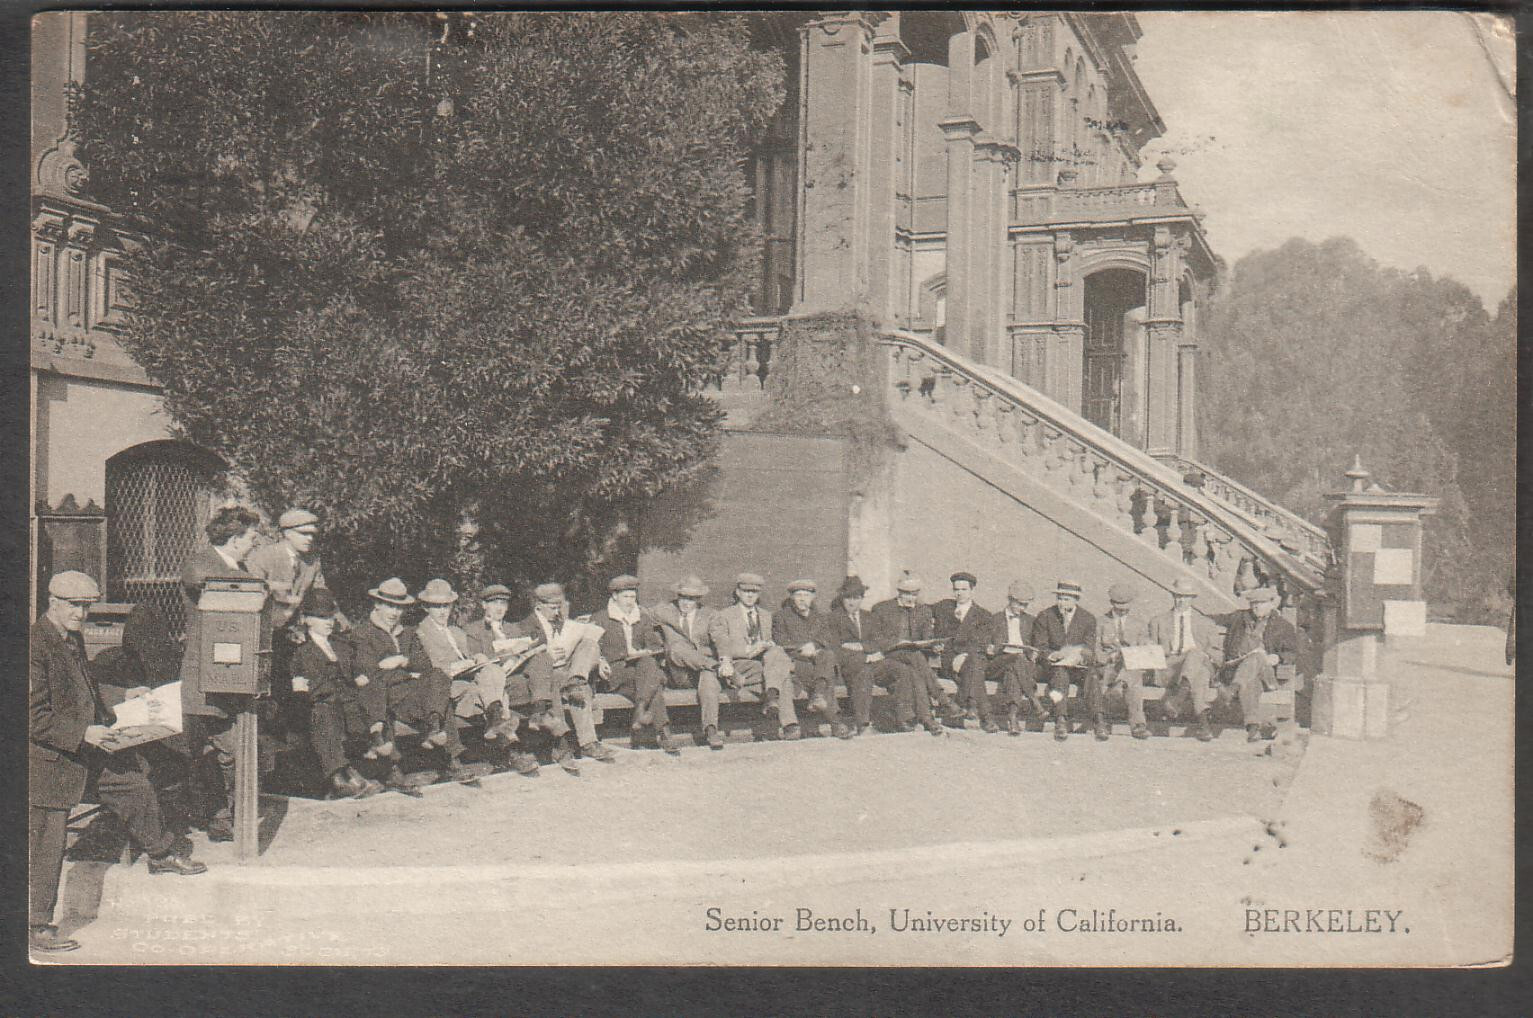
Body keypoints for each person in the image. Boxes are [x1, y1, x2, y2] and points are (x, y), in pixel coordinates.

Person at [31, 571, 208, 954]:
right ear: (54, 602)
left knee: (131, 781)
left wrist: (123, 693)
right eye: (74, 606)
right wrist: (85, 733)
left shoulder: (70, 639)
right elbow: (31, 717)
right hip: (48, 760)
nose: (81, 614)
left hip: (79, 748)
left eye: (86, 607)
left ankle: (159, 854)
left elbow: (85, 689)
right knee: (47, 842)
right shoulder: (34, 645)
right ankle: (36, 926)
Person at [179, 505, 263, 842]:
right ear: (233, 537)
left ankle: (224, 814)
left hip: (233, 674)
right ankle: (218, 816)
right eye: (251, 537)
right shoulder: (203, 563)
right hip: (206, 676)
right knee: (215, 750)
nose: (254, 544)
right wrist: (258, 587)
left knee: (230, 749)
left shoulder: (236, 566)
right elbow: (203, 581)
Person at [350, 577, 475, 787]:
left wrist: (401, 660)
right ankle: (397, 769)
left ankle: (436, 733)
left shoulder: (407, 633)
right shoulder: (363, 634)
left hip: (410, 692)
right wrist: (402, 670)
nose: (394, 613)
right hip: (383, 694)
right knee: (427, 698)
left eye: (399, 608)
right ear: (378, 605)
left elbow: (424, 664)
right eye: (389, 606)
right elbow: (365, 670)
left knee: (438, 677)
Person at [504, 582, 617, 770]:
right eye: (552, 607)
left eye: (559, 607)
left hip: (570, 669)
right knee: (571, 685)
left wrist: (601, 659)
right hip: (548, 672)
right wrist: (548, 654)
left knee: (590, 644)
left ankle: (576, 681)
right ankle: (575, 744)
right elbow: (523, 658)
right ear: (538, 606)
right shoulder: (525, 626)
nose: (557, 612)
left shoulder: (561, 621)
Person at [288, 589, 383, 798]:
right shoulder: (301, 649)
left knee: (356, 705)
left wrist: (359, 677)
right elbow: (303, 687)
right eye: (322, 617)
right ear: (307, 620)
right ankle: (339, 779)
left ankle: (354, 774)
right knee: (325, 714)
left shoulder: (340, 645)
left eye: (331, 616)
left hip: (346, 701)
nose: (328, 622)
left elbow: (357, 669)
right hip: (319, 704)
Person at [412, 579, 521, 747]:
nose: (442, 611)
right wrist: (460, 666)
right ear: (426, 607)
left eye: (446, 606)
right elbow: (430, 667)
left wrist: (478, 657)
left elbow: (470, 653)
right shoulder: (420, 633)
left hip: (471, 675)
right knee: (494, 692)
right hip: (448, 682)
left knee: (493, 669)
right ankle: (499, 727)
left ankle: (495, 723)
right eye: (436, 606)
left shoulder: (455, 631)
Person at [826, 575, 934, 736]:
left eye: (856, 597)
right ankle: (862, 724)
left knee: (902, 670)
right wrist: (865, 656)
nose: (851, 602)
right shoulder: (832, 618)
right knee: (865, 672)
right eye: (848, 597)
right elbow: (834, 647)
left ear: (862, 598)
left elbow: (878, 641)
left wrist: (862, 646)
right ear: (842, 598)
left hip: (874, 661)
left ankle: (904, 718)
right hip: (849, 666)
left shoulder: (868, 617)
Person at [461, 583, 542, 775]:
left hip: (516, 678)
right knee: (500, 692)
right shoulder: (473, 630)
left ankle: (523, 744)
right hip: (492, 682)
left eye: (503, 604)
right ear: (484, 605)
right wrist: (496, 636)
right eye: (494, 603)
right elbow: (477, 661)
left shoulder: (515, 628)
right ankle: (514, 752)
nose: (499, 608)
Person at [707, 573, 800, 740]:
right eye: (746, 591)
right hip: (740, 665)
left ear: (759, 594)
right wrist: (749, 650)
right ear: (738, 592)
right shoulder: (725, 615)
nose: (750, 595)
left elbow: (771, 642)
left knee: (777, 653)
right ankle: (789, 723)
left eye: (754, 592)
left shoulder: (766, 615)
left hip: (764, 663)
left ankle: (772, 697)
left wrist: (768, 644)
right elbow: (722, 644)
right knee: (781, 673)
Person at [595, 575, 678, 755]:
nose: (630, 602)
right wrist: (600, 661)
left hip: (640, 670)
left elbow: (655, 646)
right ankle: (663, 732)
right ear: (614, 596)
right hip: (616, 671)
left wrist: (645, 652)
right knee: (653, 685)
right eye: (626, 597)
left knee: (647, 664)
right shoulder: (601, 618)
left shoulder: (642, 618)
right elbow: (592, 646)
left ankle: (642, 712)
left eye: (633, 597)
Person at [869, 572, 963, 728]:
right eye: (906, 593)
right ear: (898, 592)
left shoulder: (923, 611)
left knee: (915, 668)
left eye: (914, 594)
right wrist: (897, 643)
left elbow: (927, 638)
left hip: (912, 661)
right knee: (914, 656)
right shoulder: (882, 609)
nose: (910, 598)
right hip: (888, 658)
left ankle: (927, 719)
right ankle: (942, 699)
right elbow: (875, 639)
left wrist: (934, 647)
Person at [1212, 586, 1299, 742]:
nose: (1256, 607)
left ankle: (1232, 689)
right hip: (1237, 669)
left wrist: (1278, 658)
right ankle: (1252, 727)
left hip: (1267, 673)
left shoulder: (1282, 626)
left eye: (1261, 603)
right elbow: (1215, 618)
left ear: (1272, 604)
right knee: (1251, 681)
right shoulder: (1239, 618)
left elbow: (1292, 653)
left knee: (1257, 656)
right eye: (1253, 603)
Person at [652, 576, 728, 750]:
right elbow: (638, 612)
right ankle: (713, 666)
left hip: (701, 674)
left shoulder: (710, 615)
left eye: (692, 599)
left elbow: (721, 638)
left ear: (699, 599)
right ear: (677, 596)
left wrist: (725, 661)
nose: (686, 603)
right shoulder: (663, 611)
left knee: (708, 677)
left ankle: (711, 728)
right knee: (677, 647)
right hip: (678, 671)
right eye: (683, 597)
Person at [773, 579, 852, 740]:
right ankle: (835, 721)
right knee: (824, 675)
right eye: (798, 595)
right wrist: (803, 649)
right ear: (791, 598)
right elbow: (780, 642)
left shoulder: (821, 617)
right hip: (797, 662)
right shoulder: (781, 617)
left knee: (828, 655)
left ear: (813, 597)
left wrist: (814, 646)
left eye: (806, 595)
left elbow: (828, 640)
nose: (802, 599)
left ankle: (819, 695)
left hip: (818, 660)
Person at [1147, 577, 1221, 742]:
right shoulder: (1158, 621)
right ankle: (1203, 724)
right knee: (1199, 671)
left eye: (1186, 597)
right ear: (1172, 596)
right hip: (1170, 669)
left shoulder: (1206, 623)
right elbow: (1151, 651)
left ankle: (1179, 699)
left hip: (1195, 664)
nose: (1181, 600)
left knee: (1196, 657)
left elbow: (1218, 654)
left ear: (1193, 598)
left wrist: (1204, 654)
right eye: (1178, 596)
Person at [1031, 579, 1097, 741]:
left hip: (1078, 667)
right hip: (1054, 667)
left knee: (1093, 676)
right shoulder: (1046, 616)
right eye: (1059, 598)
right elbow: (1040, 646)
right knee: (1060, 674)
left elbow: (1089, 648)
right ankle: (1061, 720)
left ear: (1076, 600)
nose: (1061, 602)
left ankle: (1099, 719)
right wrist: (1052, 655)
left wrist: (1079, 656)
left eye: (1066, 599)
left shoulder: (1087, 618)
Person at [932, 571, 996, 732]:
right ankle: (982, 713)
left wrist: (965, 655)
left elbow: (982, 641)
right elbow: (921, 613)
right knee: (976, 668)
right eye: (956, 589)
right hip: (947, 660)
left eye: (964, 589)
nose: (959, 593)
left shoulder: (983, 615)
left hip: (969, 659)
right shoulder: (942, 607)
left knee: (974, 663)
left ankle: (972, 708)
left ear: (972, 591)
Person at [1090, 583, 1151, 741]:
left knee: (1133, 671)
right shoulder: (1100, 622)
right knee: (1134, 678)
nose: (1123, 609)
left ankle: (1121, 685)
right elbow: (1095, 649)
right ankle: (1138, 724)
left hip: (1131, 666)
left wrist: (1140, 648)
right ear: (1111, 603)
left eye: (1126, 605)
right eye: (1119, 606)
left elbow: (1144, 646)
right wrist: (1108, 657)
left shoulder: (1139, 624)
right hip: (1109, 668)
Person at [984, 580, 1043, 736]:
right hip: (999, 662)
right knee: (1014, 661)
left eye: (1025, 605)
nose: (1022, 609)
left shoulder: (1030, 621)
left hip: (1021, 665)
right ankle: (1033, 700)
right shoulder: (994, 619)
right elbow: (985, 643)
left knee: (1013, 670)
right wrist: (989, 649)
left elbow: (1037, 645)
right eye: (1020, 604)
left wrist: (1034, 653)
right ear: (1010, 600)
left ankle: (1012, 717)